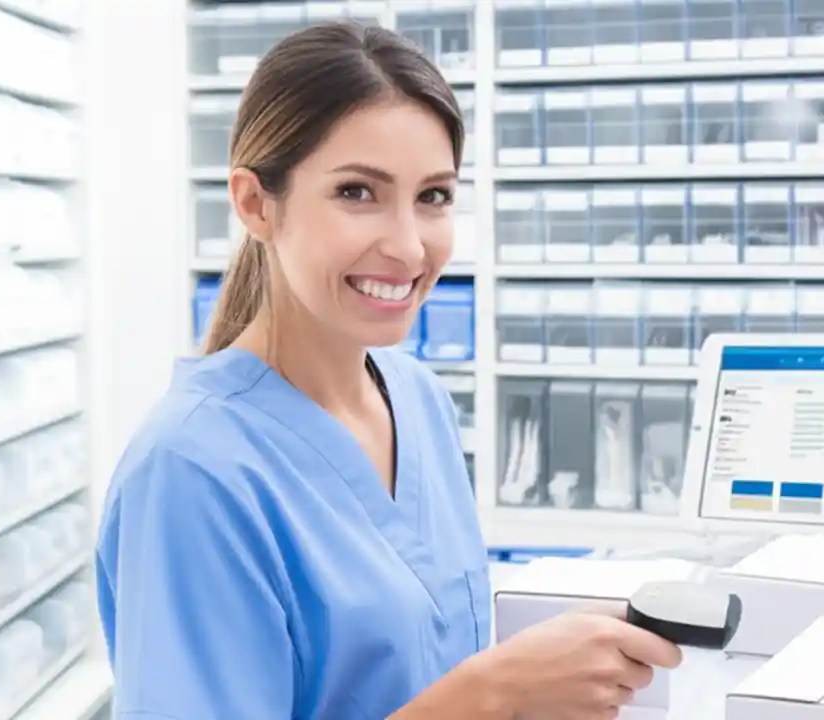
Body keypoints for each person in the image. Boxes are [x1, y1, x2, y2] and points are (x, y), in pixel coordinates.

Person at [94, 21, 681, 720]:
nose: (408, 247)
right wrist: (492, 693)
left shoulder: (416, 397)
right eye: (357, 193)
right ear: (255, 204)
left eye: (433, 196)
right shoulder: (192, 473)